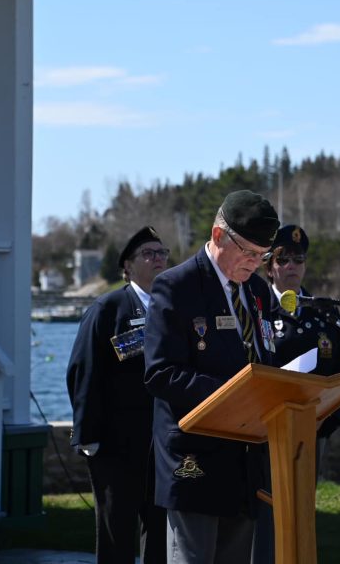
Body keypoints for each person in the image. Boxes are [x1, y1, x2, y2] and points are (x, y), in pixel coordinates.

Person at [144, 189, 280, 564]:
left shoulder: (255, 290)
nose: (255, 263)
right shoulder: (177, 285)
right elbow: (160, 373)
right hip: (195, 460)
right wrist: (234, 395)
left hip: (246, 461)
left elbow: (265, 356)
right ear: (218, 236)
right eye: (249, 253)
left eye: (262, 256)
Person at [66, 226, 169, 564]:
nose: (158, 259)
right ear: (127, 266)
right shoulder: (108, 309)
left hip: (162, 444)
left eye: (162, 253)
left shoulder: (173, 309)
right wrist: (88, 435)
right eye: (148, 254)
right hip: (116, 447)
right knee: (116, 534)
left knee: (161, 533)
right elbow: (84, 372)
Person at [252, 224, 340, 563]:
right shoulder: (257, 307)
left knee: (302, 512)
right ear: (270, 266)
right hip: (265, 431)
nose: (292, 266)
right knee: (268, 515)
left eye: (299, 259)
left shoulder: (323, 310)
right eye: (284, 260)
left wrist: (328, 421)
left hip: (312, 428)